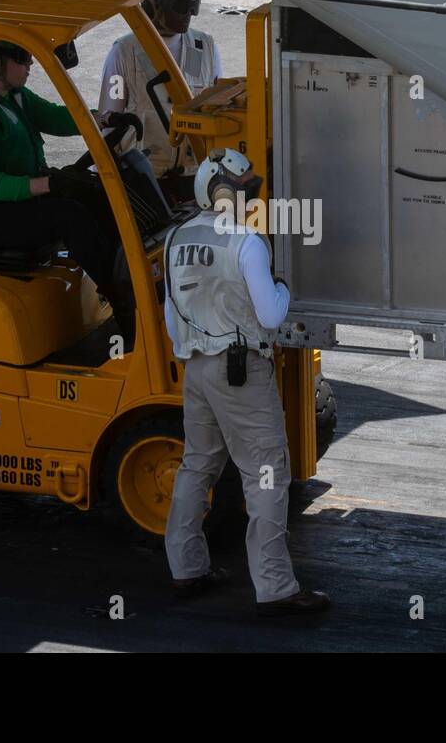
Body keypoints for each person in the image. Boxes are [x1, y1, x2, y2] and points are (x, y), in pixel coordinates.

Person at [162, 148, 330, 617]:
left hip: (196, 367)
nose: (250, 197)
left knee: (197, 465)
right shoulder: (247, 243)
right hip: (241, 373)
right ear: (228, 192)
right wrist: (284, 285)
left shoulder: (176, 238)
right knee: (266, 473)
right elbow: (272, 315)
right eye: (246, 190)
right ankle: (275, 586)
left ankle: (186, 568)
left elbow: (172, 322)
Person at [0, 39, 134, 343]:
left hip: (10, 202)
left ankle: (131, 280)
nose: (30, 65)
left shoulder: (10, 95)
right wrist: (51, 184)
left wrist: (101, 118)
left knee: (94, 191)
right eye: (23, 58)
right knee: (69, 216)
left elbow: (54, 116)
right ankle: (126, 308)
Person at [98, 0, 222, 180]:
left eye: (194, 5)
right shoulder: (125, 51)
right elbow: (110, 118)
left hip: (193, 173)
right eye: (181, 6)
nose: (189, 14)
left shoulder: (204, 48)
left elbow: (217, 104)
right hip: (143, 175)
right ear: (152, 7)